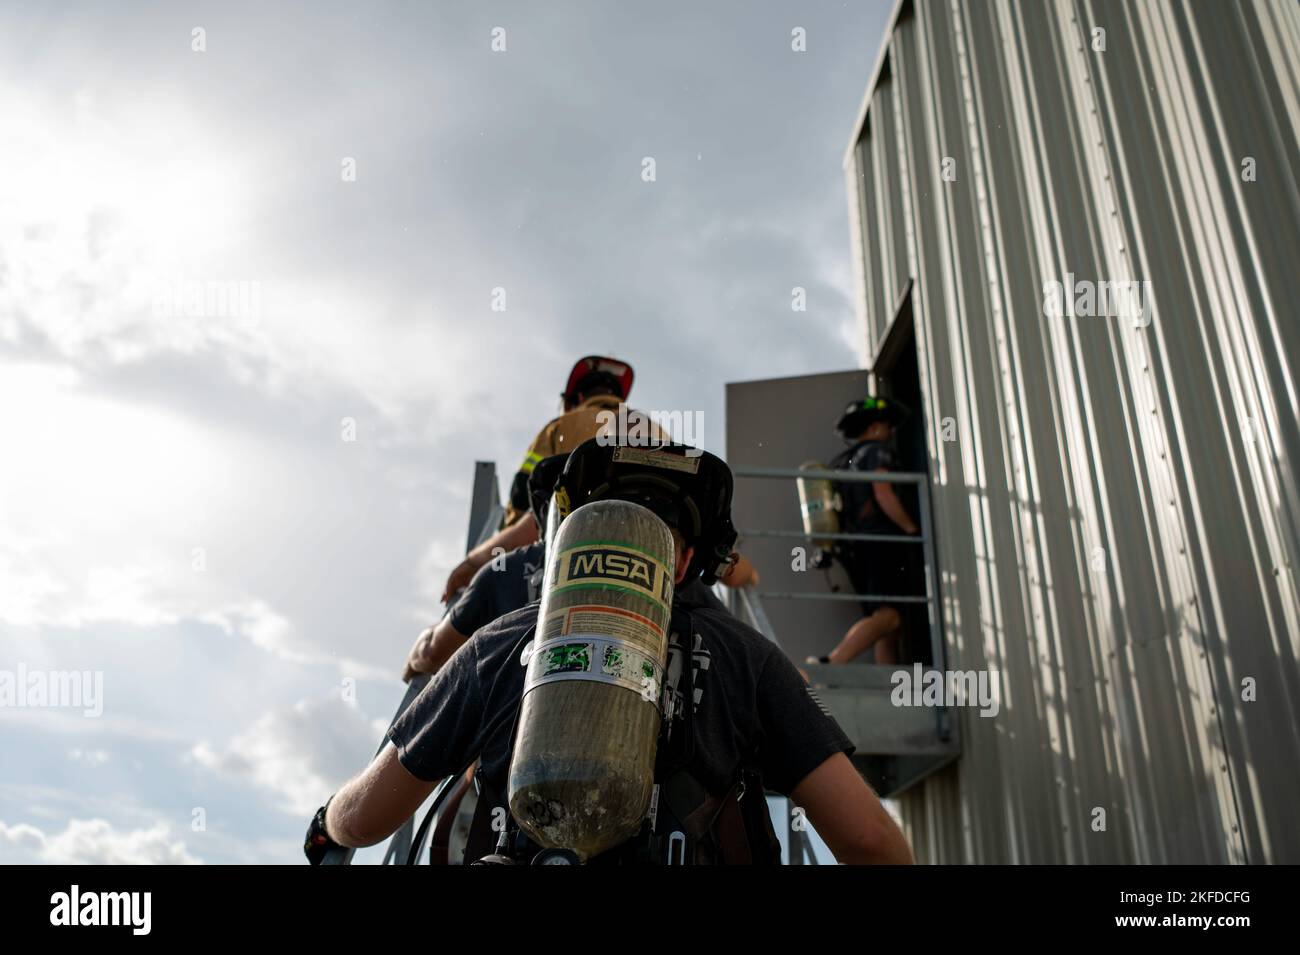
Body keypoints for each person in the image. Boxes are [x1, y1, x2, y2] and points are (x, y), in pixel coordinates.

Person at [308, 438, 912, 865]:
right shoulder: (749, 659)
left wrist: (327, 821)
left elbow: (365, 822)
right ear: (685, 560)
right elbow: (868, 842)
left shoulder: (498, 646)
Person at [812, 396, 920, 666]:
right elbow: (882, 492)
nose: (890, 432)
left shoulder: (845, 461)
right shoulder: (876, 452)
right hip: (881, 545)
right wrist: (911, 529)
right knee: (890, 617)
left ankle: (889, 687)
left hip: (857, 549)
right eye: (886, 425)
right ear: (873, 428)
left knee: (887, 621)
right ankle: (831, 664)